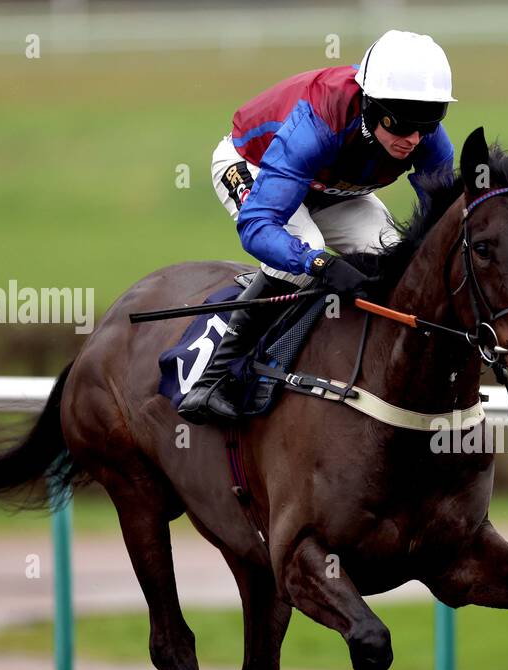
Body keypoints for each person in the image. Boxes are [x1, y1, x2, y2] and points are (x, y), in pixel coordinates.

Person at [179, 29, 457, 423]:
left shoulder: (420, 133)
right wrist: (319, 264)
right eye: (401, 125)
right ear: (371, 105)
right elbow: (259, 226)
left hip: (331, 186)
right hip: (257, 168)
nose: (413, 139)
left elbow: (442, 218)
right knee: (301, 248)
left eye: (426, 125)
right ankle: (213, 380)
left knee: (391, 254)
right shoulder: (319, 121)